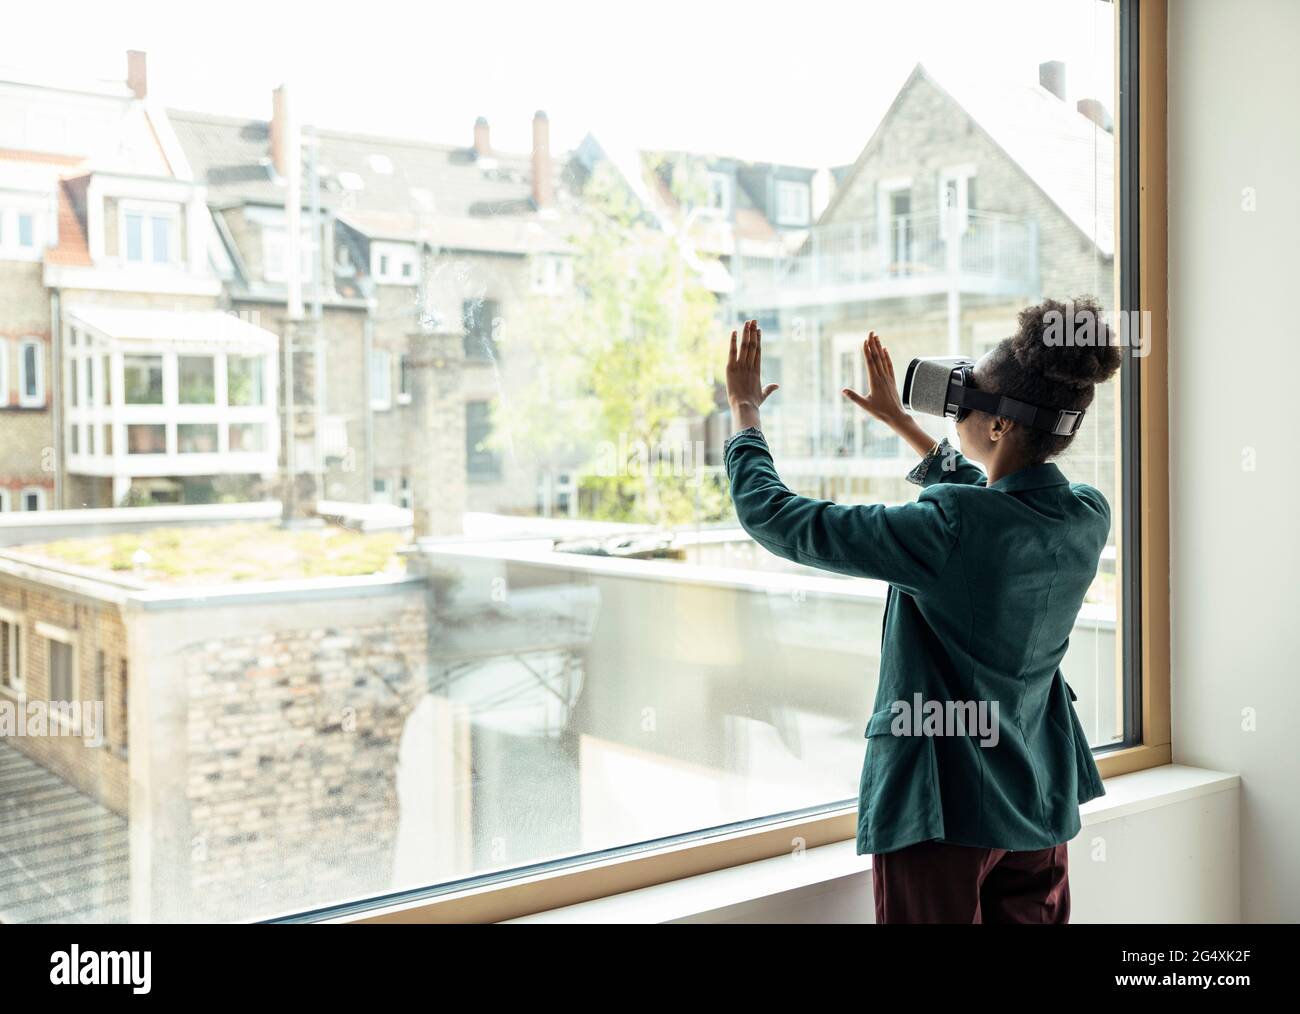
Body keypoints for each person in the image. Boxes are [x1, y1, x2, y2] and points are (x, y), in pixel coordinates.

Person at [723, 297, 1122, 924]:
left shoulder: (950, 526)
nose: (953, 413)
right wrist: (905, 426)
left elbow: (778, 518)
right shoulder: (1086, 515)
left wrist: (745, 415)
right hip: (1037, 800)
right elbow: (995, 504)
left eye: (967, 403)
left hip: (945, 810)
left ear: (999, 427)